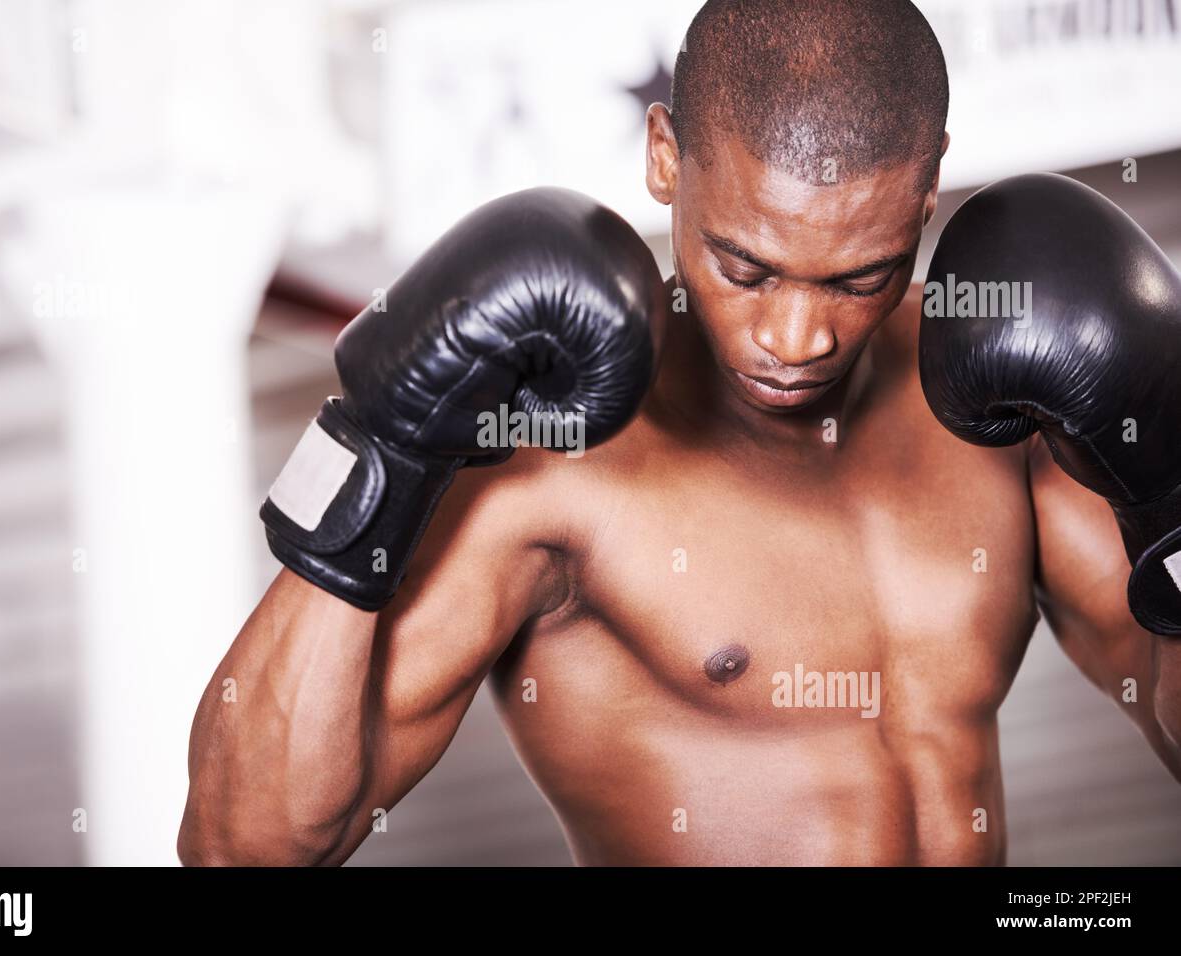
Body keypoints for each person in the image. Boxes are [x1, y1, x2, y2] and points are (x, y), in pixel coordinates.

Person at [178, 0, 1181, 866]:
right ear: (664, 157)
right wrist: (379, 439)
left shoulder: (1001, 402)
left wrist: (1173, 488)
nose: (797, 337)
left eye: (857, 276)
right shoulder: (550, 467)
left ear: (926, 193)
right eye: (744, 267)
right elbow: (244, 844)